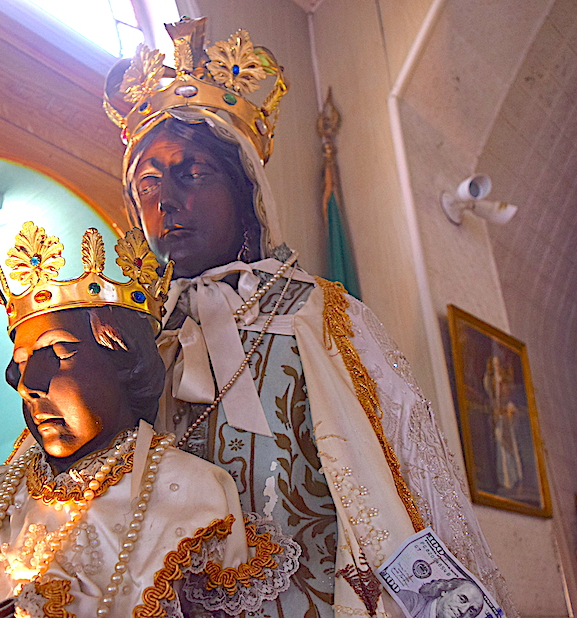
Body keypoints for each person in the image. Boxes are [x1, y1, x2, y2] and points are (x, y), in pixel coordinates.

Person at [103, 17, 515, 618]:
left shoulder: (320, 317)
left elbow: (395, 489)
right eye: (147, 182)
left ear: (248, 196)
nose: (165, 199)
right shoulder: (127, 340)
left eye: (193, 173)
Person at [0, 225, 300, 618]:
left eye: (59, 352)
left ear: (126, 361)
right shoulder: (5, 484)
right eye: (21, 365)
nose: (28, 384)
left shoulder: (191, 490)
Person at [398, 579, 485, 618]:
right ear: (446, 591)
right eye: (462, 599)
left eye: (471, 611)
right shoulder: (410, 601)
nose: (463, 611)